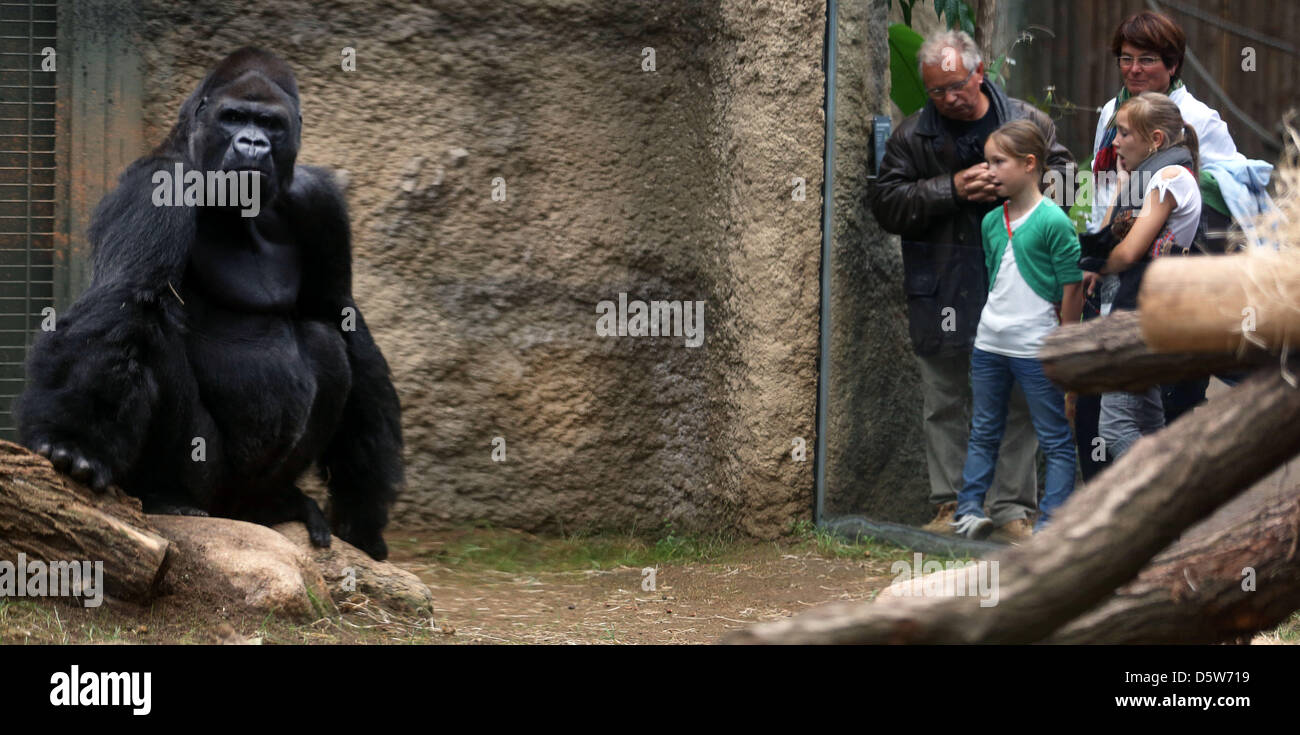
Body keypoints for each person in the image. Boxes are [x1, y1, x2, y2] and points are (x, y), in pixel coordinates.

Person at [870, 30, 1073, 543]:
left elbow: (1068, 183)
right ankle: (950, 507)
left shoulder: (1028, 122)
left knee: (1020, 404)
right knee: (944, 398)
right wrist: (951, 189)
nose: (948, 98)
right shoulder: (911, 134)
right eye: (936, 90)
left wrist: (1021, 189)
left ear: (980, 72)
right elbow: (886, 205)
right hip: (940, 285)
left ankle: (1010, 511)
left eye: (957, 85)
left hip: (1017, 284)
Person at [1075, 10, 1243, 480]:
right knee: (1098, 410)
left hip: (1169, 285)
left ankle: (1166, 503)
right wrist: (1094, 258)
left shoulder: (1200, 121)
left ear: (1172, 64)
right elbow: (1106, 188)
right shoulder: (1112, 113)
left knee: (1171, 405)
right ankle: (1106, 525)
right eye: (1125, 59)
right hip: (1111, 281)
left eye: (1147, 59)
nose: (1133, 69)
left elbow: (1226, 198)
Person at [951, 121, 1083, 539]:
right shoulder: (991, 220)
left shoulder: (1053, 221)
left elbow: (1072, 287)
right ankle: (969, 510)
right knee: (985, 427)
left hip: (1036, 347)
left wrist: (1067, 345)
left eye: (998, 162)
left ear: (1029, 165)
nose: (988, 170)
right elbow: (995, 277)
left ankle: (1050, 524)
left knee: (1055, 437)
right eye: (987, 161)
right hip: (990, 343)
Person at [1081, 92, 1202, 462]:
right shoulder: (1146, 176)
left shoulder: (1170, 177)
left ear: (1156, 140)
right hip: (1136, 310)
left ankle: (1167, 487)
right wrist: (1121, 183)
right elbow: (1108, 237)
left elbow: (1131, 251)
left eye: (1124, 133)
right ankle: (1172, 509)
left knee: (1115, 429)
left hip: (1144, 314)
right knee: (1149, 422)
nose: (1114, 142)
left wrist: (1095, 266)